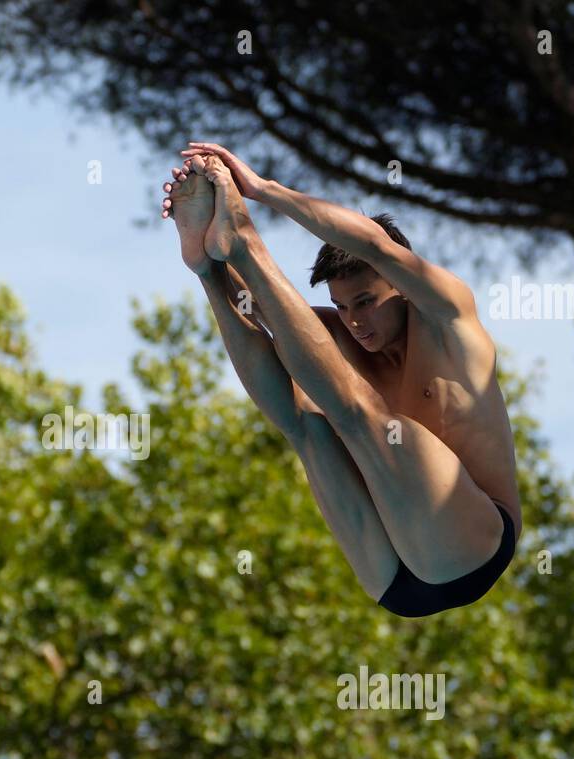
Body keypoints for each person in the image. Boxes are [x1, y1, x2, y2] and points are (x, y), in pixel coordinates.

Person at [162, 143, 520, 617]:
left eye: (367, 301)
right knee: (306, 427)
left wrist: (262, 190)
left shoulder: (448, 320)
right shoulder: (340, 336)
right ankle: (206, 270)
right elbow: (264, 309)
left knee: (364, 415)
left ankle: (245, 239)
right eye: (344, 306)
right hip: (394, 583)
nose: (354, 321)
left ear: (402, 288)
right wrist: (214, 262)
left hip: (472, 547)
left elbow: (374, 245)